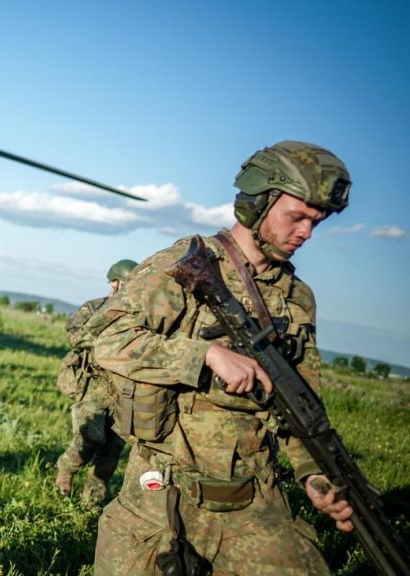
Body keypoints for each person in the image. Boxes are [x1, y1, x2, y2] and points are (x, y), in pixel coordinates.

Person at [88, 141, 354, 575]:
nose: (306, 233)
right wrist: (205, 354)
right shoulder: (185, 265)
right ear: (256, 203)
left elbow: (301, 404)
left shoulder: (296, 299)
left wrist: (313, 474)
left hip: (251, 500)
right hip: (158, 492)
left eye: (316, 222)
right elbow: (107, 339)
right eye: (297, 217)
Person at [54, 259, 137, 506]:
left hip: (127, 388)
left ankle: (94, 498)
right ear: (114, 283)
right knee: (90, 438)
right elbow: (74, 335)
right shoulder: (94, 308)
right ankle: (66, 468)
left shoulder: (141, 315)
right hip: (96, 384)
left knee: (114, 446)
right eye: (125, 283)